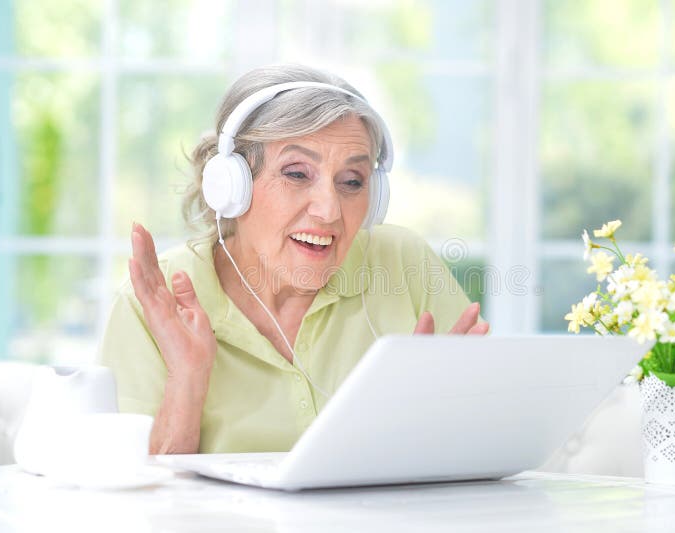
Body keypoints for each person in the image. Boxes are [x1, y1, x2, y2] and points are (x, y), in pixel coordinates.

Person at [99, 64, 488, 455]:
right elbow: (138, 499)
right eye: (298, 174)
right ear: (232, 185)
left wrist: (436, 415)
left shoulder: (403, 262)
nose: (329, 210)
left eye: (352, 181)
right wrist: (187, 377)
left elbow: (484, 442)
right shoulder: (153, 302)